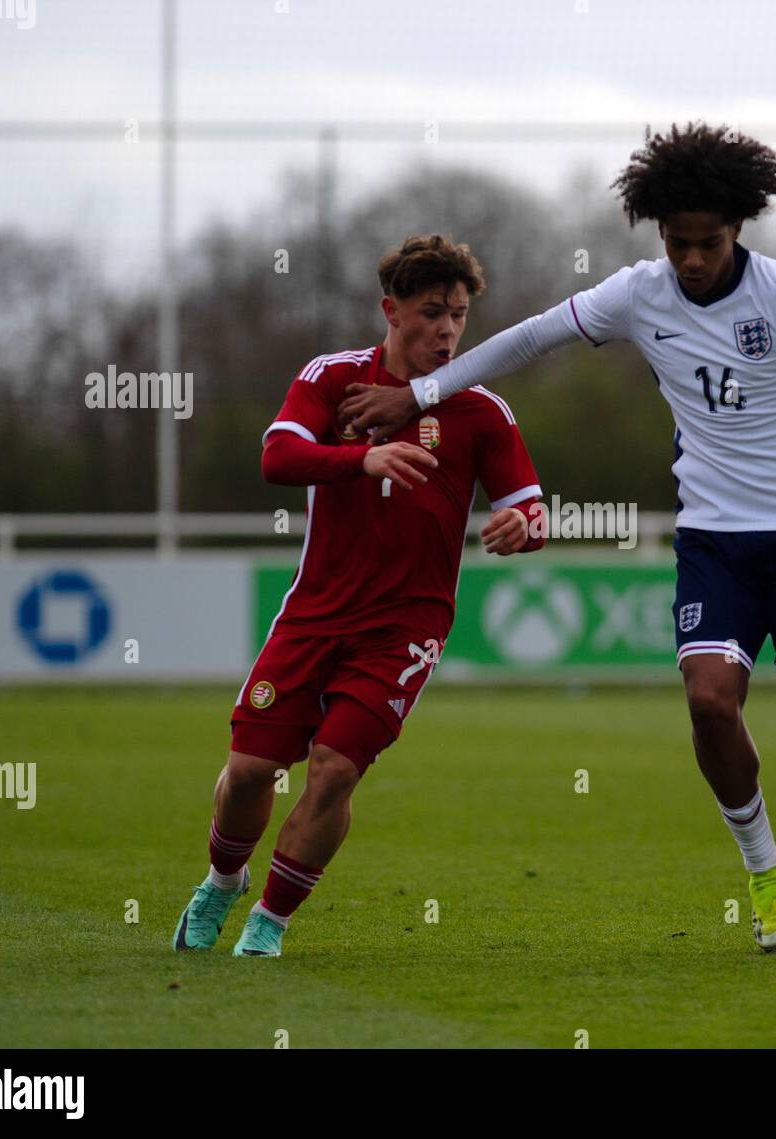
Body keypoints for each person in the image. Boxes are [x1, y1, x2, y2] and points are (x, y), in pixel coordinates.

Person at [339, 125, 776, 952]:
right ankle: (762, 870)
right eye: (676, 242)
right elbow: (532, 336)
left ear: (739, 230)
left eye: (706, 243)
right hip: (713, 541)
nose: (689, 259)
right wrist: (422, 392)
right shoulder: (641, 294)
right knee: (709, 700)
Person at [173, 234, 546, 958]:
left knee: (336, 767)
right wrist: (360, 456)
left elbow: (532, 509)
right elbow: (277, 456)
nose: (448, 330)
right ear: (390, 309)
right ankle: (224, 880)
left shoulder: (481, 409)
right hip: (315, 610)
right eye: (433, 312)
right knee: (250, 771)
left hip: (408, 625)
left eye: (460, 315)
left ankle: (269, 923)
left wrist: (518, 525)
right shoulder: (332, 377)